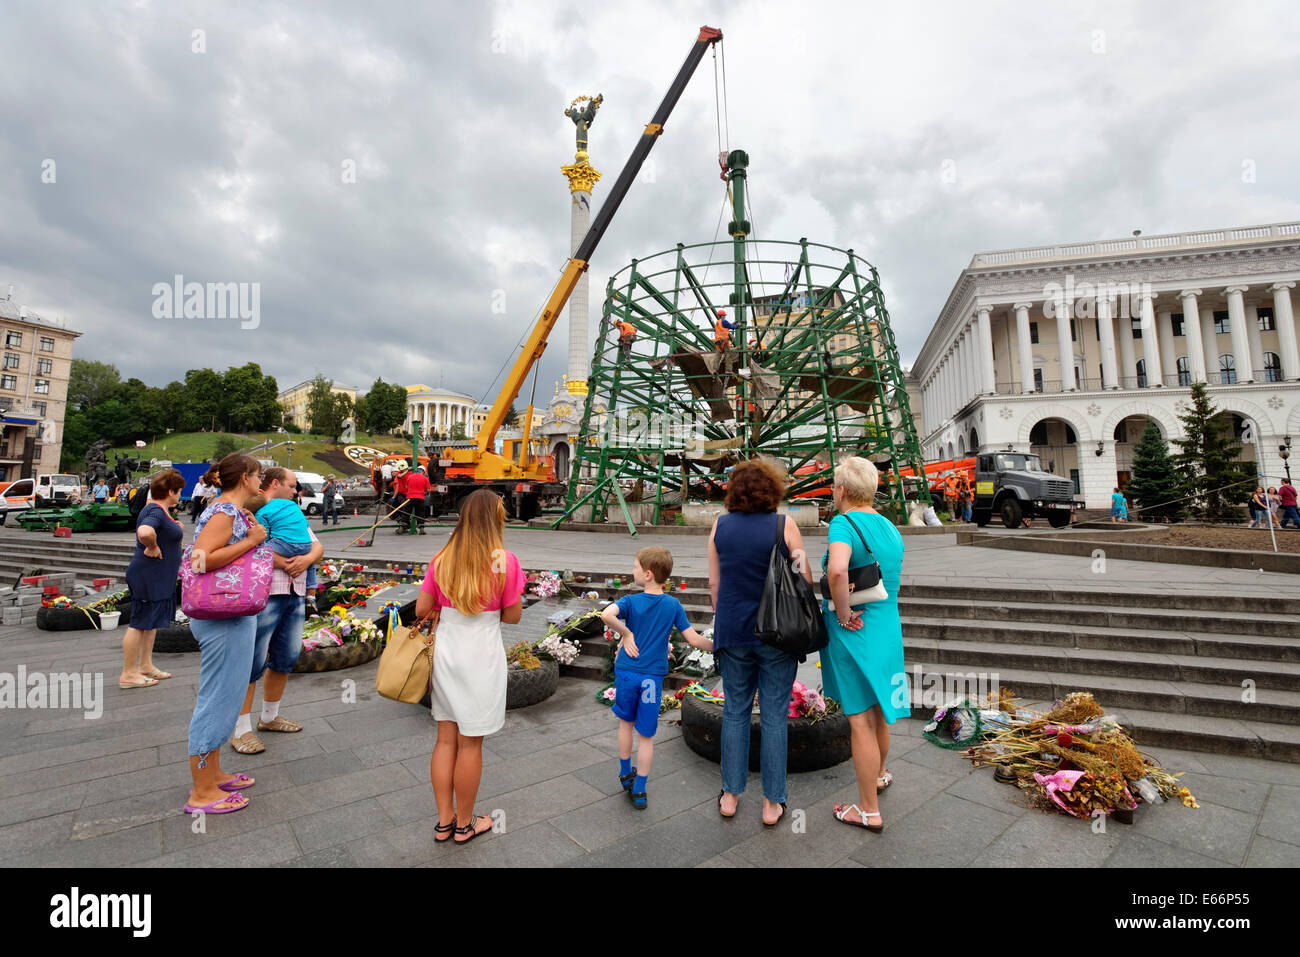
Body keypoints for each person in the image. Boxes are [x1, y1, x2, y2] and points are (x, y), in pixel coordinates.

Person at [416, 489, 525, 844]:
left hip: (448, 650)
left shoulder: (443, 557)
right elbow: (512, 615)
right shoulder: (504, 560)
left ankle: (444, 822)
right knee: (471, 744)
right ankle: (465, 824)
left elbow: (420, 610)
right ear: (495, 520)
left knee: (445, 740)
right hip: (481, 653)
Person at [708, 458, 809, 827]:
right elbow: (804, 579)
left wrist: (728, 617)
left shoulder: (720, 526)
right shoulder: (785, 525)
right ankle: (772, 803)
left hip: (733, 631)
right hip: (777, 633)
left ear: (734, 491)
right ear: (773, 491)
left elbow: (715, 586)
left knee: (734, 712)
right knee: (774, 717)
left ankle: (731, 796)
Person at [822, 456, 909, 832]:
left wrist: (842, 614)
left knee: (859, 719)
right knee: (878, 712)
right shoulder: (890, 526)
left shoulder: (843, 522)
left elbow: (837, 570)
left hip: (855, 628)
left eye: (834, 486)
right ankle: (879, 775)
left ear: (842, 490)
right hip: (887, 625)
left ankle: (868, 809)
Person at [184, 453, 267, 815]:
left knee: (228, 696)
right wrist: (251, 541)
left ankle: (213, 773)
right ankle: (201, 791)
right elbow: (200, 559)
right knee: (217, 698)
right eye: (259, 475)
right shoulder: (224, 513)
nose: (262, 481)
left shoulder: (233, 512)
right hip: (222, 617)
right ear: (246, 478)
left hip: (232, 613)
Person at [601, 547, 712, 810]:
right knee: (647, 736)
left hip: (627, 673)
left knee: (625, 724)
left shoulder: (630, 601)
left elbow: (606, 615)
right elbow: (694, 639)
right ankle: (639, 789)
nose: (633, 570)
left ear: (648, 574)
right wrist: (721, 646)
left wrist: (626, 635)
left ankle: (625, 772)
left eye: (635, 567)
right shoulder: (673, 605)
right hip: (651, 679)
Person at [227, 468, 322, 755]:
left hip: (294, 591)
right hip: (263, 594)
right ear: (275, 483)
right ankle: (240, 729)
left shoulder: (290, 511)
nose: (296, 491)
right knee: (251, 661)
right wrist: (282, 562)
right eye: (292, 486)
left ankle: (269, 717)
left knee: (286, 657)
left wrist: (305, 560)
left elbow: (317, 545)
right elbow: (245, 547)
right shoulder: (250, 510)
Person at [120, 469, 186, 689]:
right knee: (139, 623)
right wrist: (153, 546)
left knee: (150, 624)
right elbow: (145, 531)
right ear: (170, 491)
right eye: (178, 491)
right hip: (148, 574)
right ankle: (129, 673)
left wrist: (174, 530)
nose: (180, 495)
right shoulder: (155, 511)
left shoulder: (161, 511)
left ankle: (145, 665)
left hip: (158, 576)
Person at [403, 466, 431, 534]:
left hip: (410, 497)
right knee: (420, 513)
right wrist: (424, 492)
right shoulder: (425, 478)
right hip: (420, 498)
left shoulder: (410, 477)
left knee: (406, 512)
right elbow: (428, 490)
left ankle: (402, 527)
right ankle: (421, 529)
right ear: (423, 472)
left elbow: (406, 487)